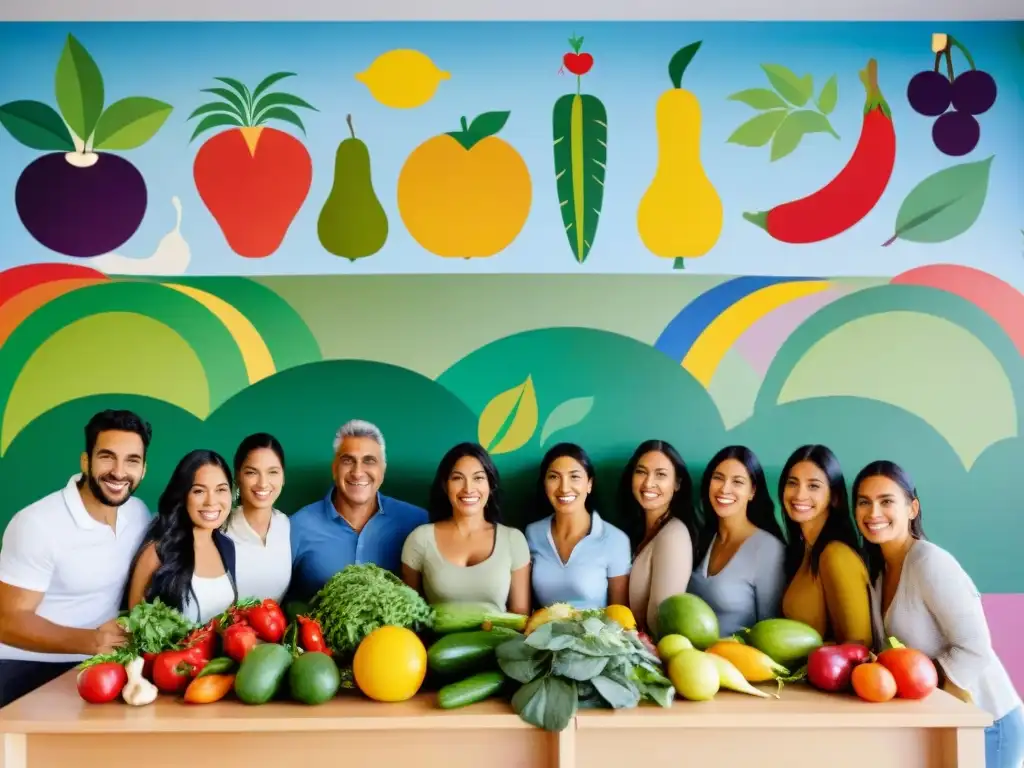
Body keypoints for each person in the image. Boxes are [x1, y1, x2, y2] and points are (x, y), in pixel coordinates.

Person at [853, 460, 1023, 768]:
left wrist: (920, 685)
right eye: (864, 502)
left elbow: (975, 649)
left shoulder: (929, 562)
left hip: (988, 722)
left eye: (886, 501)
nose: (873, 512)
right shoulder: (878, 573)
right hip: (947, 722)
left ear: (912, 509)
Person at [0, 410, 153, 707]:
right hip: (24, 667)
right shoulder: (36, 524)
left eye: (132, 461)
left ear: (143, 469)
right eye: (107, 457)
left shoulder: (138, 513)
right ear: (86, 461)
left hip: (100, 667)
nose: (119, 472)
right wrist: (92, 641)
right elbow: (7, 621)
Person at [288, 419, 428, 602]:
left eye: (369, 461)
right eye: (348, 460)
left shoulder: (416, 523)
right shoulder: (298, 526)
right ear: (334, 468)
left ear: (383, 470)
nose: (357, 472)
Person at [401, 442, 531, 614]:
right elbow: (409, 614)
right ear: (445, 486)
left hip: (500, 632)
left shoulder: (513, 540)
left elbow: (520, 615)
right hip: (437, 633)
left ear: (490, 485)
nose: (468, 489)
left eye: (478, 478)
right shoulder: (420, 539)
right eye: (457, 478)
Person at [126, 450, 238, 624]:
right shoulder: (158, 551)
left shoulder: (227, 547)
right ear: (183, 496)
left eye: (221, 489)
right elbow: (136, 624)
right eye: (199, 491)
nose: (211, 501)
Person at [687, 445, 787, 637]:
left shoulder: (768, 549)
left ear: (752, 491)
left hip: (738, 655)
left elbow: (770, 631)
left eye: (737, 482)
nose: (725, 489)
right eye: (718, 478)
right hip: (686, 653)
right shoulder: (702, 537)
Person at [779, 444, 871, 645]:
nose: (799, 495)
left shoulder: (836, 555)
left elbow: (859, 646)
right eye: (792, 483)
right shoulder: (805, 550)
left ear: (834, 497)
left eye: (813, 486)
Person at [525, 442, 631, 610]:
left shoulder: (615, 540)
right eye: (554, 477)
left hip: (598, 627)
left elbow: (620, 614)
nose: (564, 488)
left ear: (589, 484)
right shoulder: (532, 534)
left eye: (574, 477)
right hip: (542, 626)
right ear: (544, 484)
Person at [620, 439, 698, 636]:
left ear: (677, 483)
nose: (648, 483)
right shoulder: (638, 529)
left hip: (654, 651)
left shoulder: (673, 536)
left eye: (661, 474)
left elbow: (661, 622)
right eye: (641, 472)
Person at [223, 433, 291, 603]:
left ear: (283, 477)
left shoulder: (287, 526)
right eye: (252, 472)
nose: (263, 483)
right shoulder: (221, 530)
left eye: (273, 472)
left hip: (276, 620)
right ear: (238, 477)